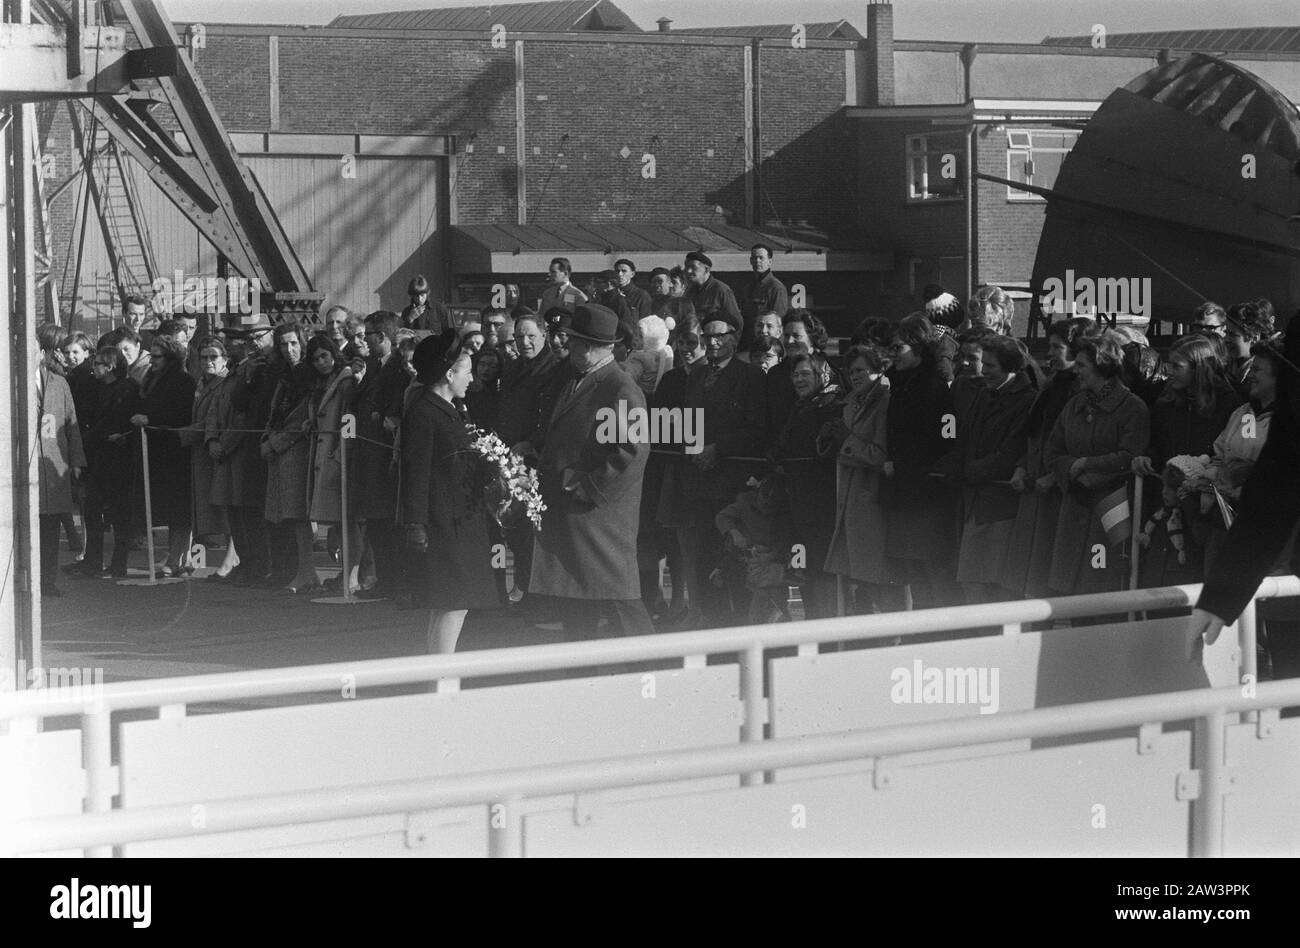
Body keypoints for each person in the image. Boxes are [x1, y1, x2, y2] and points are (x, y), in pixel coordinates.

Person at [529, 303, 656, 639]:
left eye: (570, 340)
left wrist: (586, 487)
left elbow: (632, 451)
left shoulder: (621, 387)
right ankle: (584, 681)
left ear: (587, 346)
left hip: (599, 517)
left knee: (620, 605)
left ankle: (654, 678)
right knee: (578, 605)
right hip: (578, 513)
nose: (565, 345)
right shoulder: (582, 379)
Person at [1192, 317, 1300, 671]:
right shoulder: (1246, 414)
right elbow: (1275, 487)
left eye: (1262, 370)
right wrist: (1220, 598)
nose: (1252, 375)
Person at [399, 330, 500, 653]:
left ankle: (438, 675)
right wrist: (416, 523)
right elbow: (416, 472)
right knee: (453, 603)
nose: (471, 379)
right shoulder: (425, 412)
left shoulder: (450, 408)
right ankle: (442, 678)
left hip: (458, 520)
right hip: (443, 522)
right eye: (467, 372)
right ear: (449, 374)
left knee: (449, 605)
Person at [676, 309, 767, 628]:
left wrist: (719, 448)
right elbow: (688, 422)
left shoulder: (751, 376)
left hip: (731, 484)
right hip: (698, 484)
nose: (712, 342)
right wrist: (694, 448)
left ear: (733, 338)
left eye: (719, 336)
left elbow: (758, 429)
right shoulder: (697, 375)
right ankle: (713, 626)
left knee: (735, 561)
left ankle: (741, 629)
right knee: (702, 560)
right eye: (707, 336)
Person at [1043, 331, 1149, 596]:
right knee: (1071, 593)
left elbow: (1131, 453)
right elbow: (1053, 450)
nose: (1076, 371)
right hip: (1075, 505)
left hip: (1111, 511)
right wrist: (1072, 468)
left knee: (1102, 590)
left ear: (1102, 367)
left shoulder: (1132, 407)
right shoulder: (1074, 405)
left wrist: (1086, 464)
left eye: (1082, 366)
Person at [1132, 334, 1241, 587]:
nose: (1169, 372)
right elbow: (1158, 444)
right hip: (1170, 502)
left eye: (1177, 366)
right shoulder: (1166, 404)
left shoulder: (1229, 405)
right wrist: (1147, 457)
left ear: (1199, 368)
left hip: (1204, 508)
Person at [1002, 316, 1093, 598]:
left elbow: (1085, 444)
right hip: (1035, 487)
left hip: (1059, 493)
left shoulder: (1082, 391)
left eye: (1057, 347)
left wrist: (1055, 475)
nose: (1050, 352)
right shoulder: (1052, 384)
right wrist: (1020, 467)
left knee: (1050, 578)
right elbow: (1032, 433)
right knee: (1029, 579)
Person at [947, 335, 1037, 604]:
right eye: (983, 363)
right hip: (976, 499)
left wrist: (968, 472)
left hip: (1001, 504)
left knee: (998, 585)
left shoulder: (1027, 399)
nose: (983, 371)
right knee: (972, 580)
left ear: (1010, 368)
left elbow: (1010, 451)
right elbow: (964, 435)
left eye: (991, 366)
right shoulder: (984, 393)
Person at [882, 314, 958, 608]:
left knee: (933, 569)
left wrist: (902, 464)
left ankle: (944, 637)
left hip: (926, 494)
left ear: (917, 347)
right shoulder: (899, 383)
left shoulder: (933, 386)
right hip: (904, 492)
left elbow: (943, 438)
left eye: (898, 348)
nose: (893, 354)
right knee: (914, 570)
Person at [824, 344, 902, 613]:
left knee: (881, 581)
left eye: (861, 370)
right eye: (850, 371)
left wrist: (845, 443)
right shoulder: (854, 401)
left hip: (872, 502)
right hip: (850, 503)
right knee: (859, 582)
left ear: (878, 370)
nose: (854, 376)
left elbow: (881, 453)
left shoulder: (885, 400)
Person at [771, 352, 844, 619]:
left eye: (806, 374)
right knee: (805, 573)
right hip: (798, 506)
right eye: (796, 374)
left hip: (822, 507)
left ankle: (828, 636)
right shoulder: (799, 406)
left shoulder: (831, 405)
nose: (799, 379)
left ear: (821, 375)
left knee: (823, 573)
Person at [497, 314, 563, 605]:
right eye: (519, 338)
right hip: (511, 453)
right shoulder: (512, 368)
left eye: (531, 336)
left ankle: (538, 593)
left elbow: (551, 417)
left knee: (536, 527)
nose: (524, 342)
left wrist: (532, 443)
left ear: (544, 335)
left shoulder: (555, 369)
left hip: (538, 456)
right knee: (517, 527)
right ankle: (524, 586)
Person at [214, 316, 277, 587]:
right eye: (247, 339)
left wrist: (225, 444)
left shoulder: (275, 366)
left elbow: (250, 415)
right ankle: (249, 563)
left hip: (257, 443)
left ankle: (262, 565)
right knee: (240, 510)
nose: (251, 344)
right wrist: (249, 377)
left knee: (255, 510)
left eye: (256, 338)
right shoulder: (248, 369)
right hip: (247, 447)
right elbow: (237, 404)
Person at [129, 335, 197, 576]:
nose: (152, 361)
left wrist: (152, 420)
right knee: (167, 507)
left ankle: (178, 557)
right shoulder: (151, 379)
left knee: (179, 507)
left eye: (157, 357)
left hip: (176, 451)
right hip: (156, 450)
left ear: (170, 358)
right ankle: (173, 556)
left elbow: (181, 414)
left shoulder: (183, 381)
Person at [261, 323, 318, 592]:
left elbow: (303, 416)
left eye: (294, 343)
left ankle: (307, 571)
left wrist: (276, 442)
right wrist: (267, 437)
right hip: (279, 449)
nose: (289, 349)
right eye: (283, 344)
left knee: (298, 514)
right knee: (287, 516)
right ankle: (301, 571)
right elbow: (274, 411)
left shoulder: (307, 374)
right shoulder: (283, 374)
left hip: (297, 449)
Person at [74, 347, 139, 578]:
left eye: (98, 364)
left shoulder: (125, 389)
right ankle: (94, 560)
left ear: (110, 366)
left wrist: (87, 439)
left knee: (117, 511)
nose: (94, 368)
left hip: (117, 459)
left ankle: (116, 564)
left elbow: (112, 421)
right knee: (93, 509)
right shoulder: (104, 388)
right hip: (103, 455)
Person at [304, 336, 360, 594]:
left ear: (333, 354)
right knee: (337, 518)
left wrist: (340, 453)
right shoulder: (321, 382)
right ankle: (344, 572)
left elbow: (348, 416)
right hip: (322, 447)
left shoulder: (345, 379)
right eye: (315, 359)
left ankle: (352, 575)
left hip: (338, 450)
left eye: (325, 356)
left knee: (347, 517)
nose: (321, 362)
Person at [182, 336, 237, 578]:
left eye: (214, 357)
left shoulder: (224, 382)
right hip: (201, 454)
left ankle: (231, 556)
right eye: (204, 357)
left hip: (219, 451)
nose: (208, 362)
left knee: (225, 506)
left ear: (224, 359)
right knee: (206, 507)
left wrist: (182, 434)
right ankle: (197, 559)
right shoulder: (202, 383)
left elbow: (218, 419)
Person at [36, 351, 87, 597]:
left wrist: (77, 460)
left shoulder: (59, 383)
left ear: (41, 354)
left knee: (50, 526)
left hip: (54, 465)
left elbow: (72, 423)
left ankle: (47, 581)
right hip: (25, 467)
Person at [1223, 300, 1275, 399]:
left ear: (1254, 338)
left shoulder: (1265, 376)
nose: (1226, 340)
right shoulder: (1223, 370)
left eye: (1232, 335)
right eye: (1226, 333)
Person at [740, 243, 789, 343]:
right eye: (754, 258)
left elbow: (777, 322)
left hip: (768, 342)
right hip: (750, 341)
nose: (757, 261)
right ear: (750, 261)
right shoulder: (748, 288)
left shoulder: (776, 288)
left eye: (761, 258)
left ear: (769, 261)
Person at [683, 251, 741, 329]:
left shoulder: (721, 290)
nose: (688, 271)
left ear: (706, 270)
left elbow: (737, 322)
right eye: (686, 266)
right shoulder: (689, 291)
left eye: (693, 267)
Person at [465, 346, 503, 433]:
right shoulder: (468, 390)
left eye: (492, 366)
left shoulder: (501, 390)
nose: (486, 369)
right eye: (482, 364)